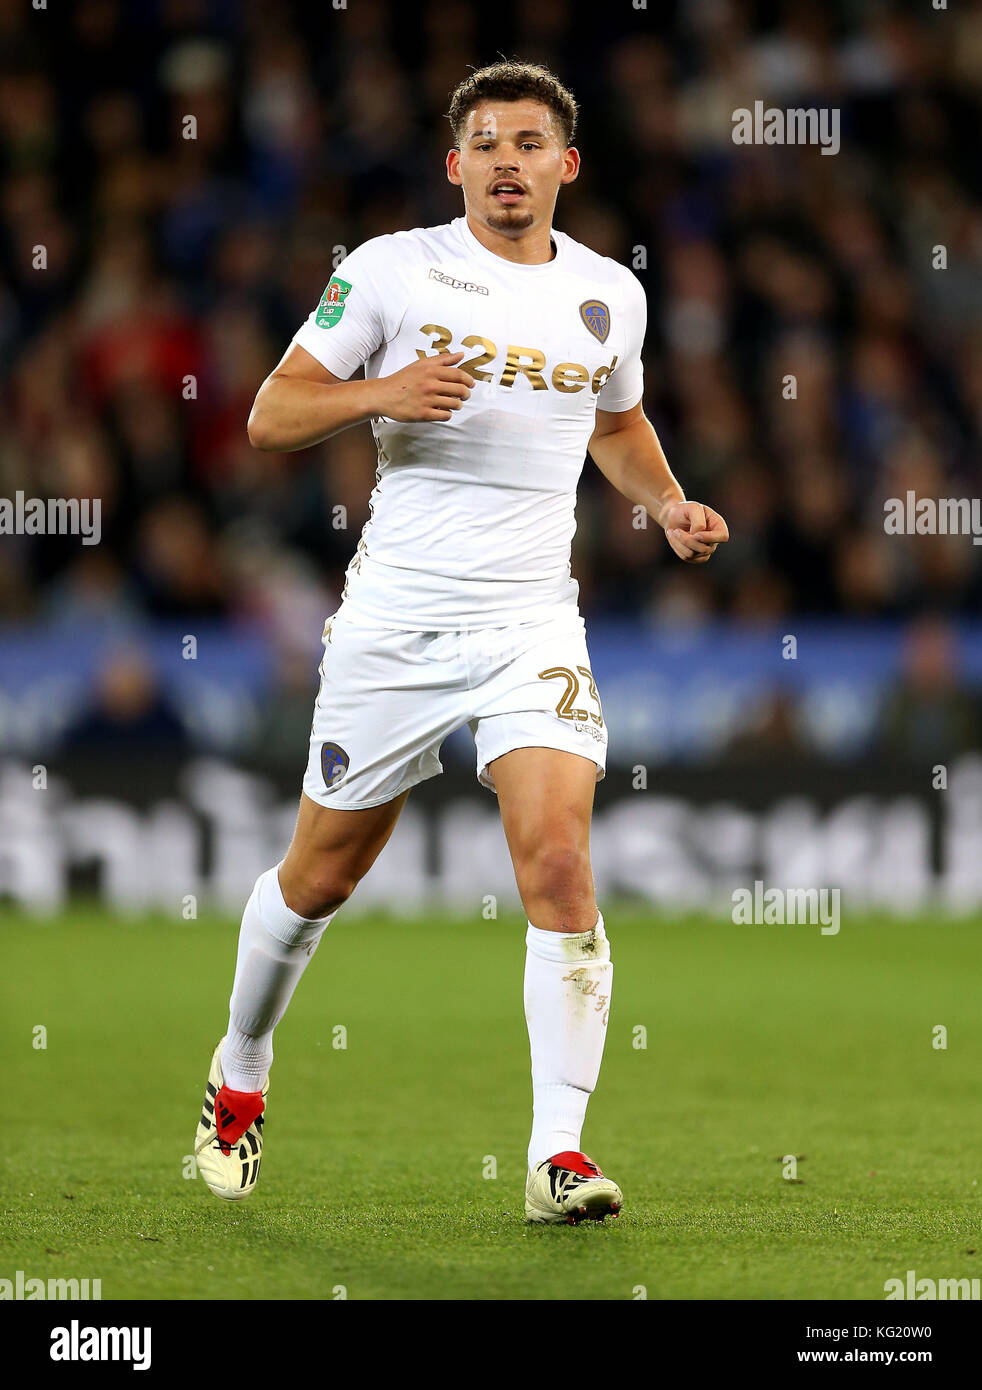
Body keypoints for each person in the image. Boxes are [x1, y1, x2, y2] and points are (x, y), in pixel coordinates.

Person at [194, 60, 728, 1224]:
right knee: (318, 876)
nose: (506, 164)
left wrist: (666, 502)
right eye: (485, 144)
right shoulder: (391, 269)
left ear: (564, 166)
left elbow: (617, 421)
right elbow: (269, 413)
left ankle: (558, 1156)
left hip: (532, 619)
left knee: (557, 864)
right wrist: (380, 391)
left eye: (529, 144)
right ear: (455, 165)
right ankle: (241, 1066)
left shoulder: (607, 295)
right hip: (395, 622)